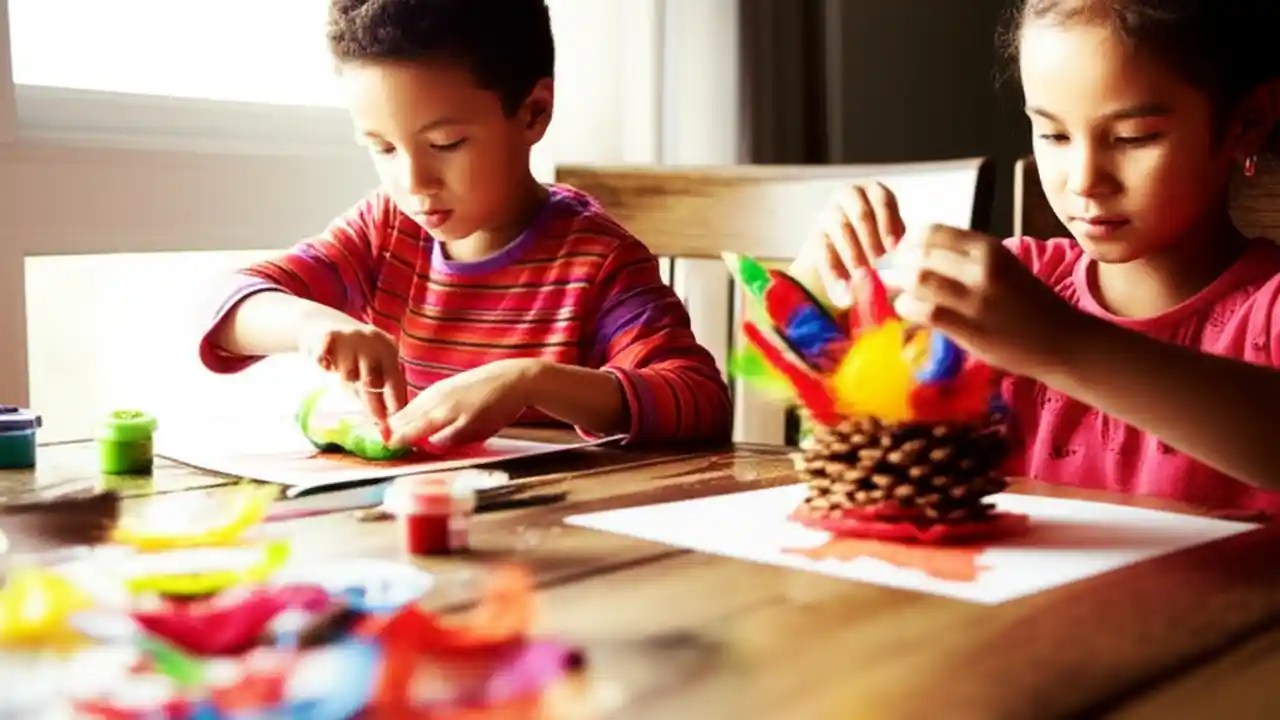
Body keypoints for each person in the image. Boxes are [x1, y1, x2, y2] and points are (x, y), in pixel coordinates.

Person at [792, 0, 1280, 511]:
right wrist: (820, 277)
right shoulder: (1014, 285)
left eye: (1132, 138)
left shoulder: (1267, 311)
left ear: (1246, 124)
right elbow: (832, 390)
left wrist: (1058, 342)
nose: (1084, 180)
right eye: (1054, 135)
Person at [200, 0, 731, 449]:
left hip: (555, 528)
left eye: (445, 144)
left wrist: (529, 380)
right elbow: (222, 305)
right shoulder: (383, 231)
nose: (414, 183)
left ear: (533, 113)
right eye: (382, 148)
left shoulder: (597, 262)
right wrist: (310, 326)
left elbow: (701, 399)